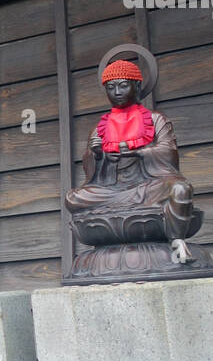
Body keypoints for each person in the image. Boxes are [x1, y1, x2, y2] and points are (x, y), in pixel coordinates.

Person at [64, 58, 195, 240]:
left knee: (180, 189)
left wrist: (139, 153)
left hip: (148, 187)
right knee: (73, 198)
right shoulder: (101, 127)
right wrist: (97, 155)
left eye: (123, 86)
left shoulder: (156, 120)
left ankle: (176, 239)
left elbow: (168, 152)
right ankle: (130, 209)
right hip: (112, 190)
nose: (117, 92)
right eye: (111, 87)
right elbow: (92, 173)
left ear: (137, 86)